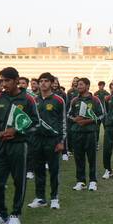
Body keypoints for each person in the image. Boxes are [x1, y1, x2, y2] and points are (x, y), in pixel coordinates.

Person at [0, 67, 38, 224]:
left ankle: (15, 214)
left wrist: (17, 130)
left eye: (7, 80)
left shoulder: (28, 99)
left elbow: (35, 123)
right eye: (1, 81)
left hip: (18, 146)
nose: (4, 84)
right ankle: (1, 214)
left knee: (19, 181)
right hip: (0, 145)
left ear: (16, 80)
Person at [28, 72, 66, 209]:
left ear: (51, 83)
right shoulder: (33, 100)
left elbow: (63, 122)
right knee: (38, 169)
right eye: (41, 81)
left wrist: (61, 141)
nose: (43, 83)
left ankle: (54, 197)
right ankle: (40, 198)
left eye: (46, 81)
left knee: (54, 170)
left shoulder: (58, 100)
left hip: (52, 140)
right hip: (36, 140)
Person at [68, 77, 104, 190]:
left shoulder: (95, 100)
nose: (79, 87)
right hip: (77, 133)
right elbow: (68, 115)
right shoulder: (74, 100)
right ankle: (81, 181)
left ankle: (93, 181)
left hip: (90, 133)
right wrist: (75, 120)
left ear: (87, 86)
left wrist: (88, 121)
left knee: (91, 157)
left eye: (81, 85)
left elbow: (102, 115)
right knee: (78, 157)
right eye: (78, 85)